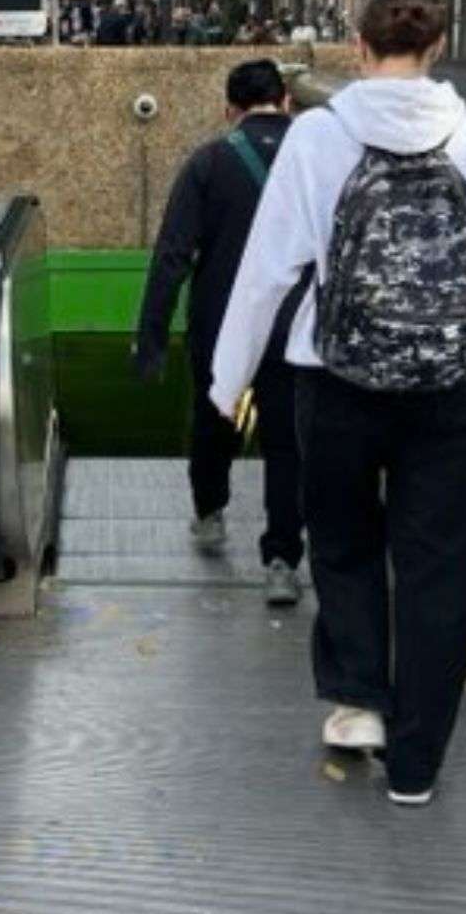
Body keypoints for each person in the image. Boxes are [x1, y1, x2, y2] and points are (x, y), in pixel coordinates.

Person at [209, 0, 466, 805]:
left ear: (358, 47)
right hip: (453, 386)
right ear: (437, 49)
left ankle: (359, 697)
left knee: (344, 540)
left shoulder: (318, 136)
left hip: (335, 378)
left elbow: (266, 272)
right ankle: (416, 767)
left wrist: (226, 380)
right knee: (441, 568)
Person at [134, 59, 307, 605]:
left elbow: (172, 256)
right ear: (285, 102)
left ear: (230, 109)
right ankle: (281, 559)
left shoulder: (209, 162)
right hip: (295, 322)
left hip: (222, 320)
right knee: (287, 442)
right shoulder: (316, 159)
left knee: (215, 417)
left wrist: (152, 336)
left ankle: (209, 512)